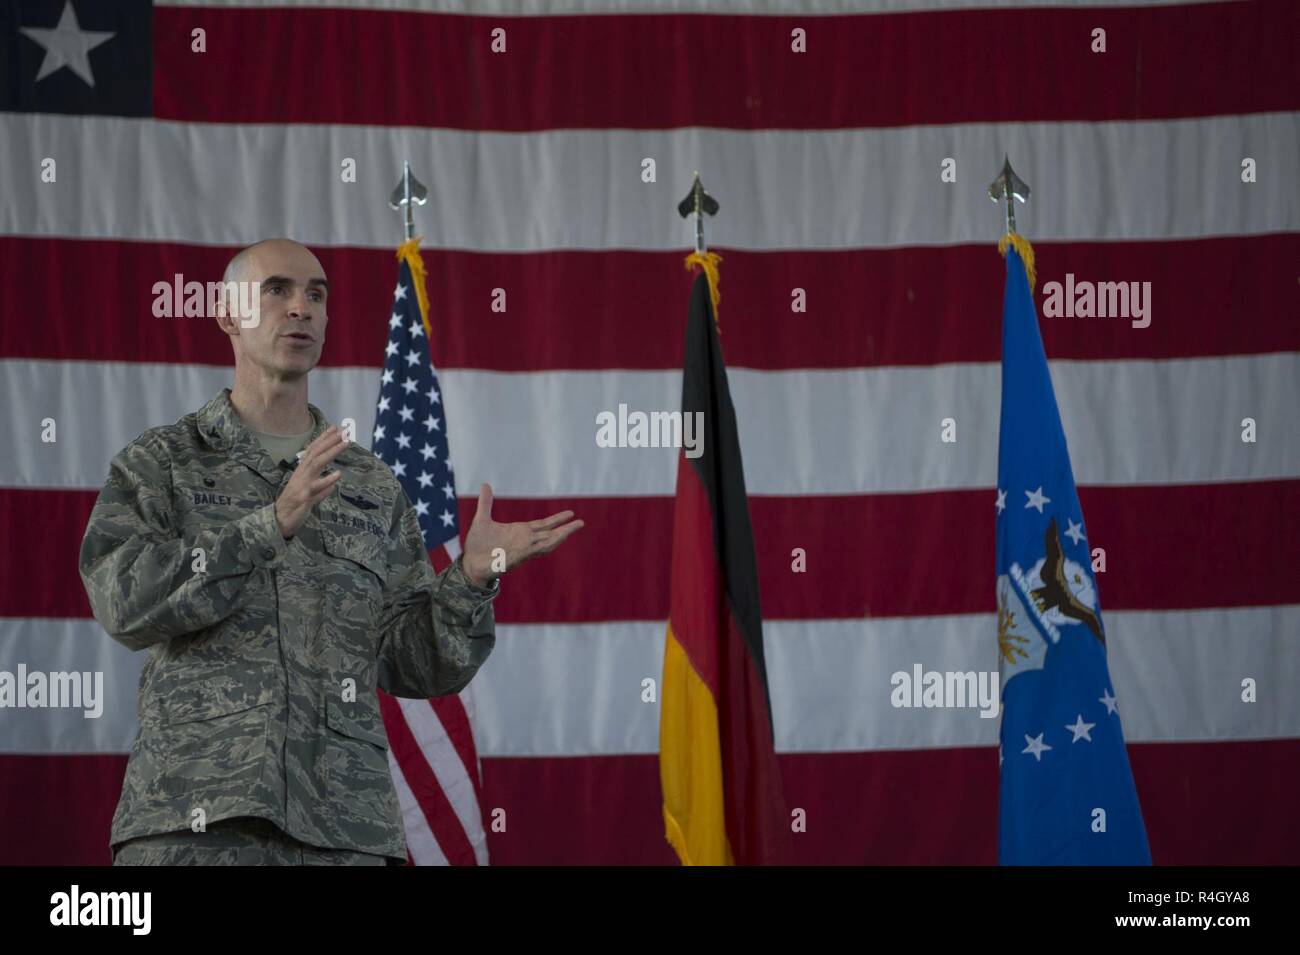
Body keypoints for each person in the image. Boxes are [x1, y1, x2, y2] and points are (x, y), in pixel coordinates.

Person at [79, 238, 582, 865]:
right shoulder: (164, 463)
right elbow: (124, 601)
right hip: (199, 823)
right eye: (279, 291)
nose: (302, 309)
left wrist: (472, 580)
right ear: (227, 313)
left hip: (345, 832)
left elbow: (414, 664)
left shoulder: (368, 483)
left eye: (316, 295)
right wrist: (267, 526)